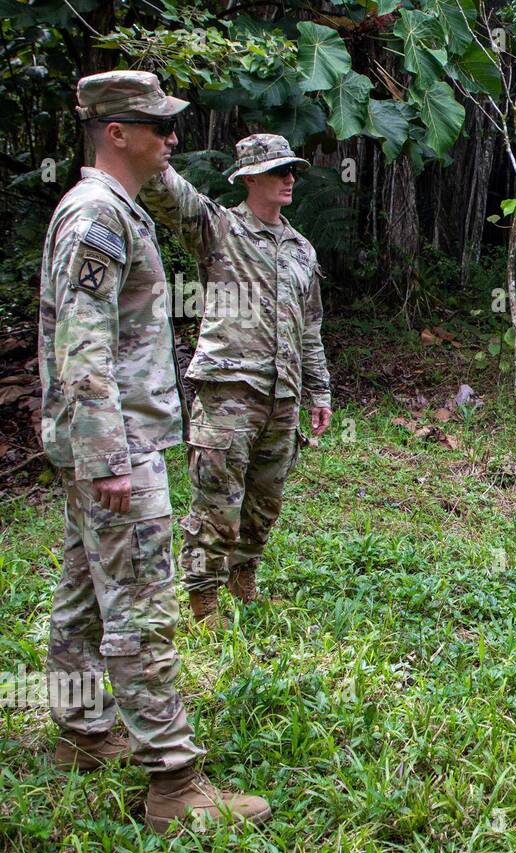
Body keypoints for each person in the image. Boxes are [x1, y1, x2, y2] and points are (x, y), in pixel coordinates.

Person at [38, 70, 270, 831]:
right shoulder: (98, 218)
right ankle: (174, 784)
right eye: (157, 125)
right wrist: (107, 457)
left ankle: (81, 731)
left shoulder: (115, 209)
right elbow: (84, 347)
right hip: (118, 448)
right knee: (141, 609)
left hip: (104, 446)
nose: (171, 138)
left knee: (81, 593)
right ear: (115, 133)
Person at [140, 134, 332, 625]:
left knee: (265, 502)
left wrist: (319, 389)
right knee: (216, 505)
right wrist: (143, 137)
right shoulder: (218, 228)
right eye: (278, 170)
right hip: (228, 391)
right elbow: (168, 192)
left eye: (293, 170)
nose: (290, 178)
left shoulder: (301, 249)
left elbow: (309, 327)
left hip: (282, 395)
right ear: (248, 178)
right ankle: (204, 601)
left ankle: (242, 576)